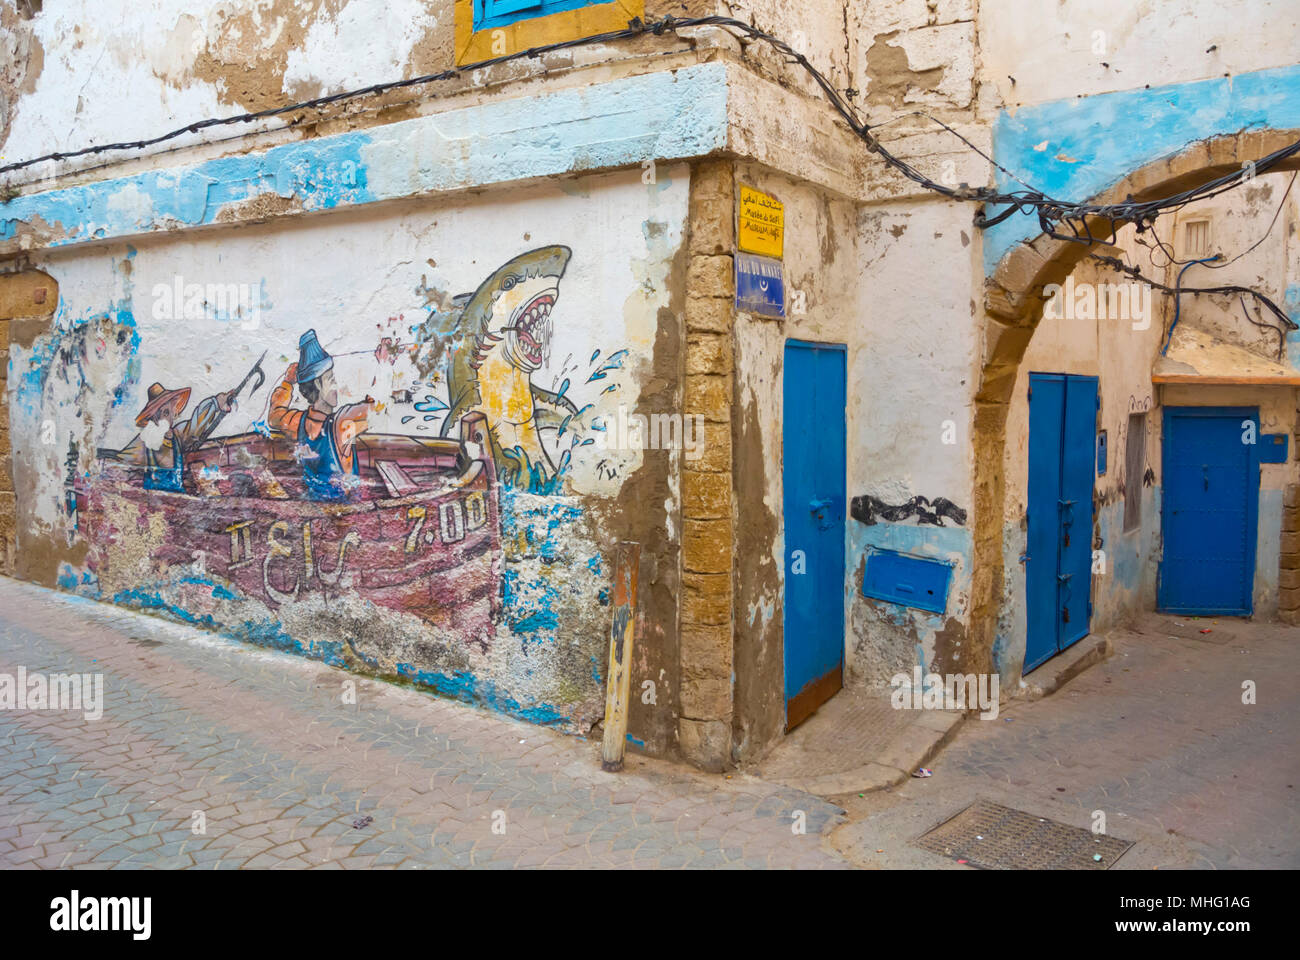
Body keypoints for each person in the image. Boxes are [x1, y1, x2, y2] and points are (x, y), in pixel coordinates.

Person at [269, 329, 374, 500]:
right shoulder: (341, 424)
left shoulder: (298, 422)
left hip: (314, 507)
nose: (336, 386)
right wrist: (384, 365)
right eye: (331, 379)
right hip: (344, 516)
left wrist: (288, 381)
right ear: (318, 383)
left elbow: (275, 416)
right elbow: (380, 409)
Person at [108, 382, 234, 492]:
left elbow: (195, 424)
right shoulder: (145, 440)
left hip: (178, 495)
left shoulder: (177, 436)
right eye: (162, 413)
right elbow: (121, 464)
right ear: (153, 417)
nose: (167, 417)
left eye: (169, 412)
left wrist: (216, 402)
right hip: (153, 499)